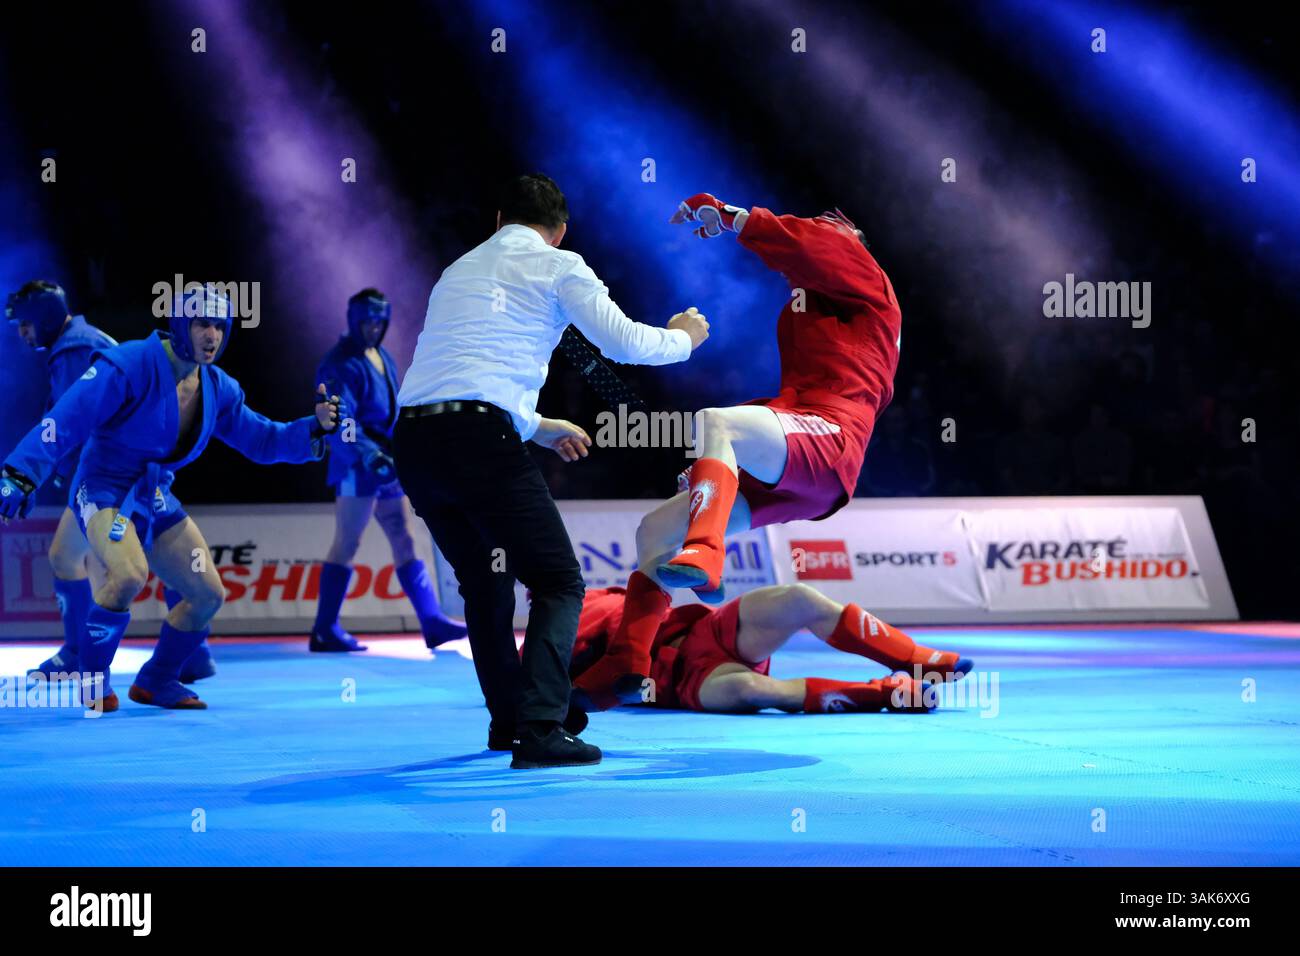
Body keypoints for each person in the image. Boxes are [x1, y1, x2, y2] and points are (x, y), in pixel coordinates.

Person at [574, 193, 940, 710]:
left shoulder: (866, 275)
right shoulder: (825, 304)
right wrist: (719, 467)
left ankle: (706, 550)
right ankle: (628, 661)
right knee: (655, 529)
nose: (817, 236)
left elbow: (813, 245)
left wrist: (732, 218)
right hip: (807, 452)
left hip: (830, 439)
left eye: (827, 232)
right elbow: (792, 400)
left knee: (715, 422)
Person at [393, 173, 709, 769]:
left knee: (485, 585)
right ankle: (541, 728)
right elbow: (623, 344)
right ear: (558, 232)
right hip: (479, 438)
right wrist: (684, 338)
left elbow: (461, 369)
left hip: (415, 439)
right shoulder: (560, 265)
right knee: (559, 581)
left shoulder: (456, 271)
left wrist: (536, 425)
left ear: (498, 221)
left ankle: (511, 720)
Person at [0, 285, 341, 713]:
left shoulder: (218, 388)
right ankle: (91, 679)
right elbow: (64, 420)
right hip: (103, 488)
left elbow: (262, 439)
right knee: (126, 575)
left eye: (220, 326)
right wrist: (18, 473)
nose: (212, 335)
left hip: (154, 495)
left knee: (207, 594)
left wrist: (313, 427)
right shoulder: (128, 364)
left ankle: (156, 681)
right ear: (180, 324)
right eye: (202, 324)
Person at [311, 288, 467, 653]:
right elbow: (339, 417)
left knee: (403, 535)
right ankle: (324, 628)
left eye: (379, 321)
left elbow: (394, 411)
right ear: (354, 320)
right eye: (367, 321)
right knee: (347, 541)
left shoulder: (381, 356)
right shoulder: (339, 362)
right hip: (357, 465)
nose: (373, 327)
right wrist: (367, 456)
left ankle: (431, 621)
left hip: (386, 463)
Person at [569, 582, 969, 714]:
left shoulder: (593, 599)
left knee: (799, 598)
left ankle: (915, 658)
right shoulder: (543, 644)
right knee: (753, 690)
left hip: (706, 632)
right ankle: (883, 694)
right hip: (686, 682)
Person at [6, 280, 117, 680]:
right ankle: (190, 652)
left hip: (111, 471)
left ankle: (84, 662)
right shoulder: (84, 339)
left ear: (45, 316)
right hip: (123, 465)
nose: (22, 333)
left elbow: (66, 424)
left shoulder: (72, 349)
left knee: (100, 567)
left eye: (25, 324)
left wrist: (28, 478)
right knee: (79, 558)